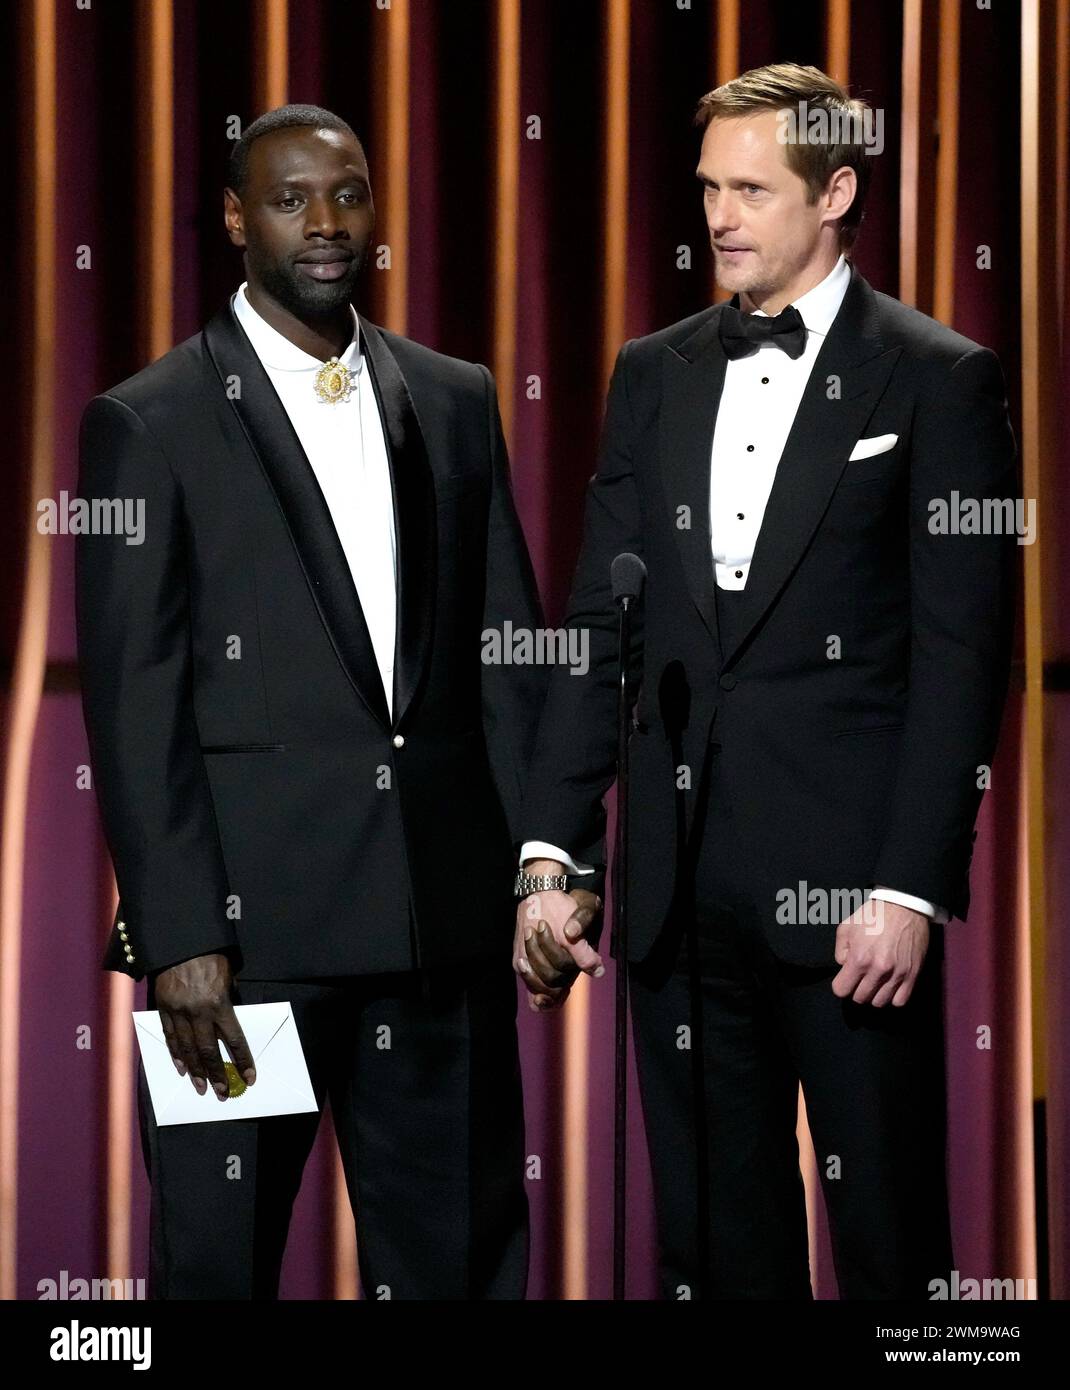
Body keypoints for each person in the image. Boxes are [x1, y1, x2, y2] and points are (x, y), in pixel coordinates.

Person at [513, 63, 1018, 1299]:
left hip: (853, 906)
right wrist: (553, 855)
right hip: (678, 900)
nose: (718, 218)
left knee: (892, 1244)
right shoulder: (653, 370)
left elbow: (961, 658)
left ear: (835, 190)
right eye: (706, 189)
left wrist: (908, 887)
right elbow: (597, 627)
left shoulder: (937, 376)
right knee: (713, 1248)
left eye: (750, 189)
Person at [76, 104, 544, 1300]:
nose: (325, 223)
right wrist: (180, 933)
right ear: (236, 218)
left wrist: (540, 860)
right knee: (216, 1268)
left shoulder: (451, 395)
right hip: (238, 957)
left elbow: (508, 652)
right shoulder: (148, 419)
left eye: (346, 193)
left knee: (458, 1266)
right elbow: (136, 704)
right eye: (290, 200)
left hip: (434, 941)